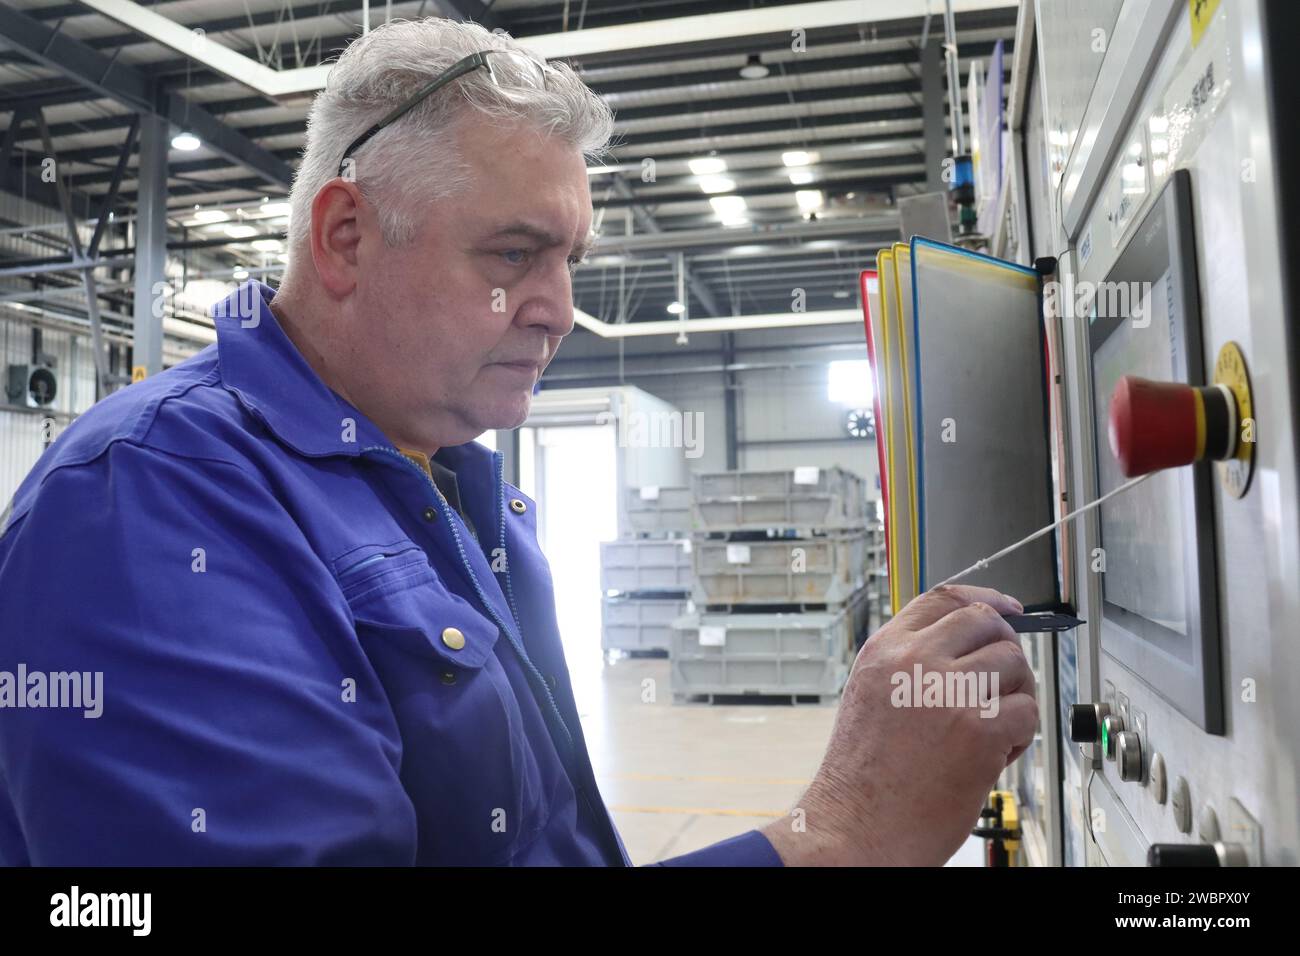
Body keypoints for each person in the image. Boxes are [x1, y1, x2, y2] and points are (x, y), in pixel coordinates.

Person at [0, 18, 1036, 866]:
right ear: (346, 237)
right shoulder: (149, 500)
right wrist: (834, 833)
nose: (556, 308)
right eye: (514, 252)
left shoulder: (452, 490)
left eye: (570, 259)